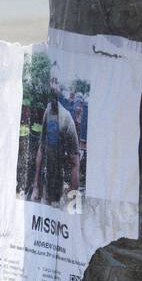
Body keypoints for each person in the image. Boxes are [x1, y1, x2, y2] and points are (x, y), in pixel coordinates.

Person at [30, 68, 80, 207]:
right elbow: (41, 148)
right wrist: (36, 185)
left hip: (60, 185)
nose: (52, 86)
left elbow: (75, 161)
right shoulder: (47, 111)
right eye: (51, 82)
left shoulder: (66, 119)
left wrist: (72, 200)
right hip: (46, 182)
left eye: (56, 83)